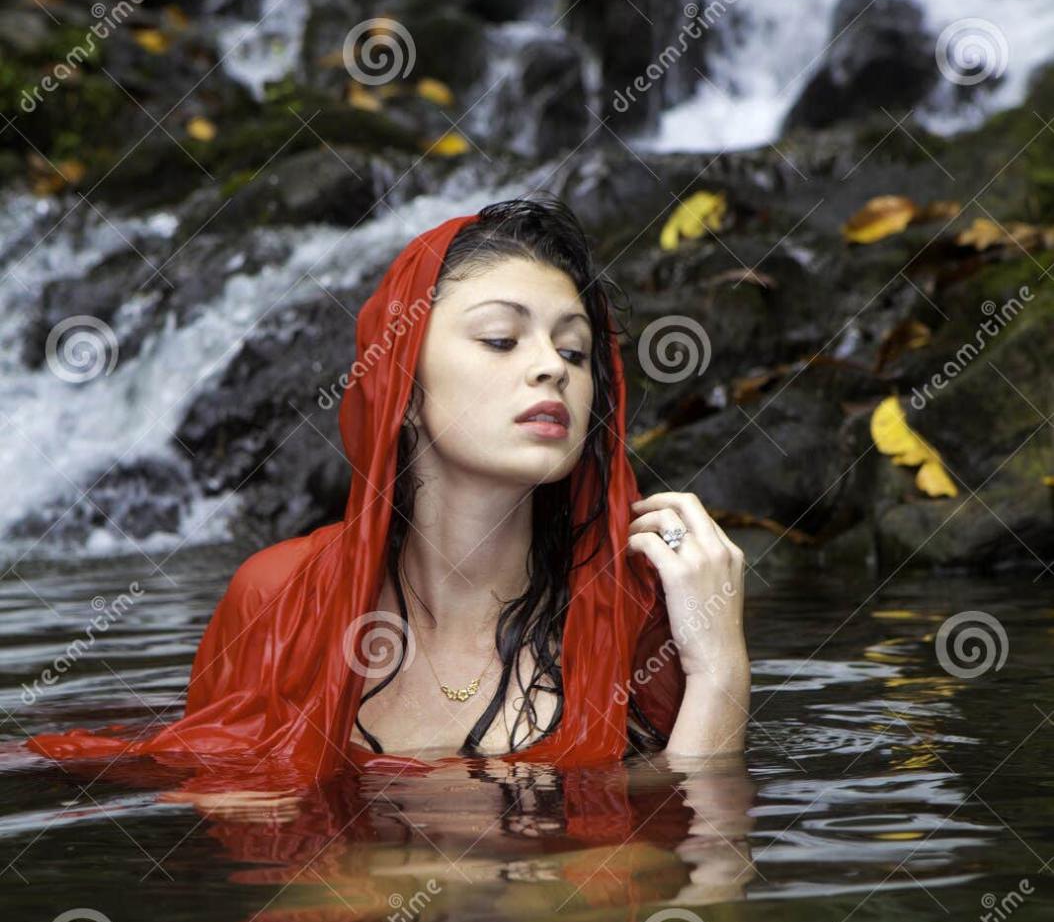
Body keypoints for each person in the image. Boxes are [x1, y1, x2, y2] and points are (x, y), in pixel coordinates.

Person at [21, 197, 749, 786]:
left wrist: (719, 663)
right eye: (502, 339)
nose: (551, 369)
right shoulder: (276, 601)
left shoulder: (635, 611)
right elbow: (253, 869)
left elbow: (692, 863)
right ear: (401, 385)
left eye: (574, 350)